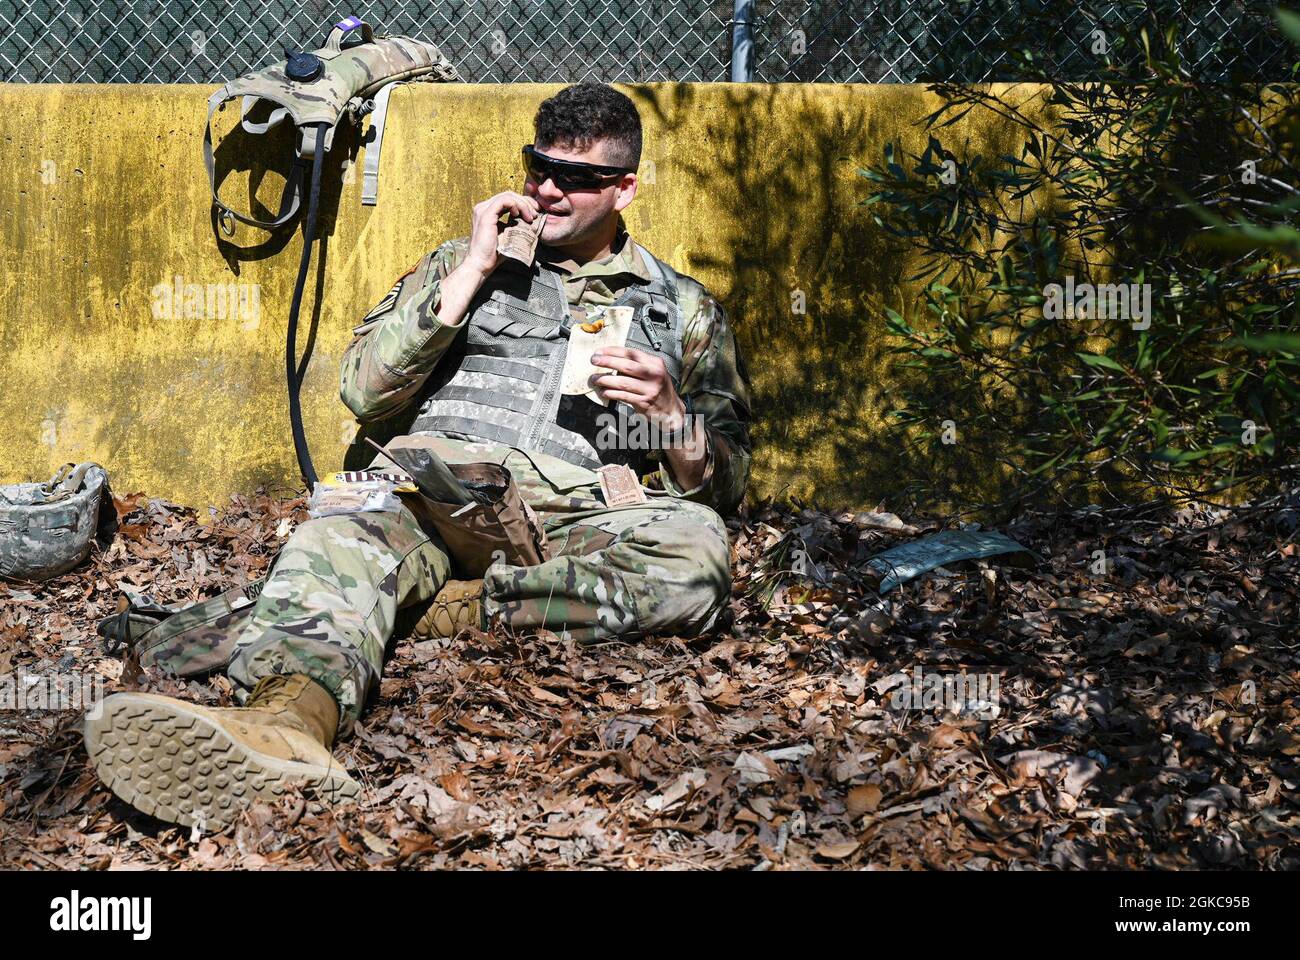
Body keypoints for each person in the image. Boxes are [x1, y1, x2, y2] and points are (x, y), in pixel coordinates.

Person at [84, 82, 754, 830]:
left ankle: (419, 612)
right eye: (539, 169)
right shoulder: (460, 262)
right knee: (343, 523)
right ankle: (286, 728)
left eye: (578, 178)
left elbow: (725, 487)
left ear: (625, 188)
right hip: (432, 482)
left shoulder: (681, 307)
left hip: (573, 512)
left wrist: (670, 418)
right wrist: (469, 272)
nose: (549, 191)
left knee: (697, 557)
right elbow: (362, 392)